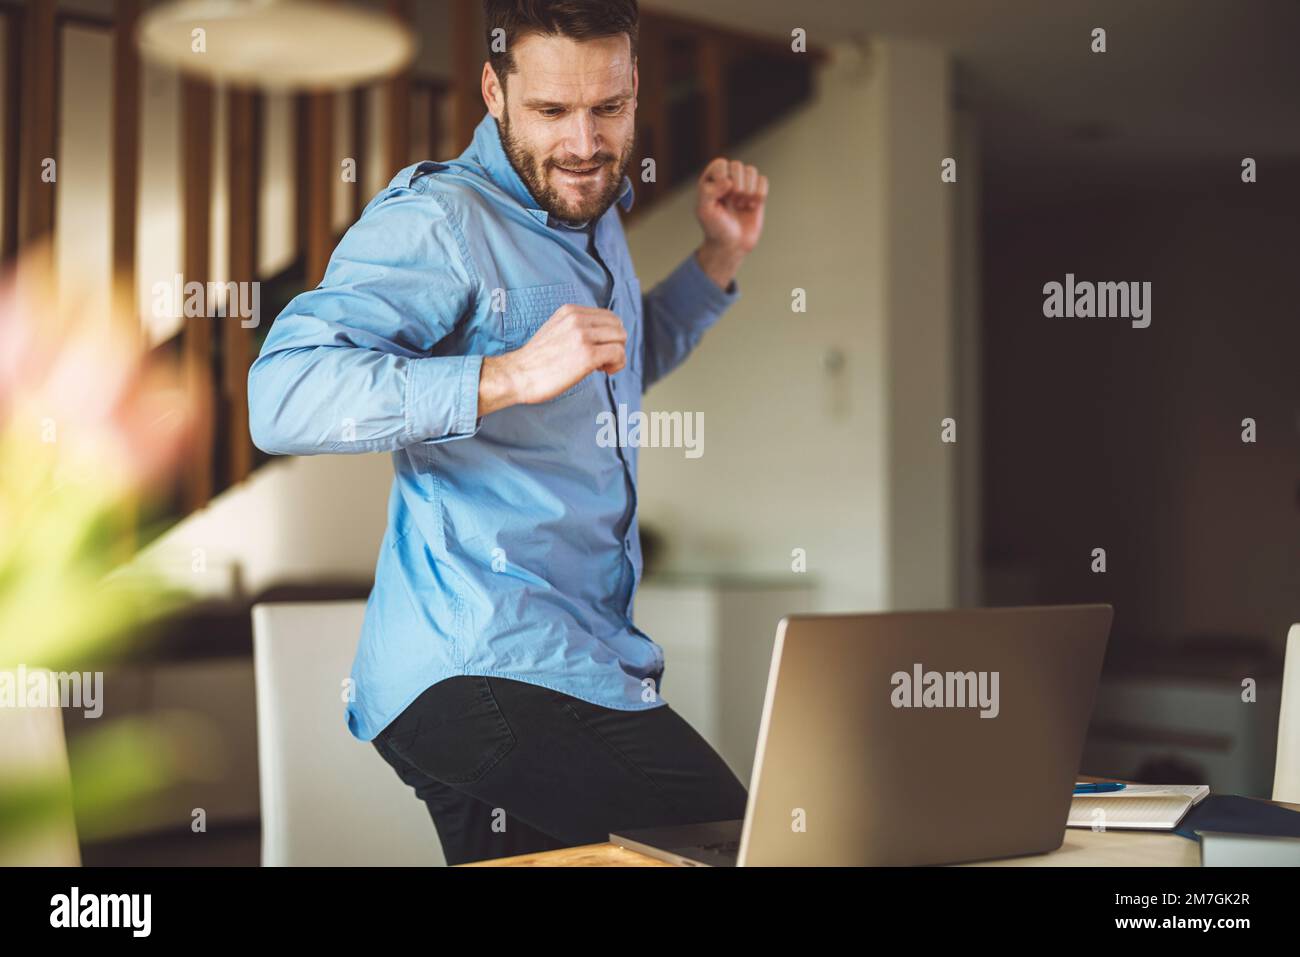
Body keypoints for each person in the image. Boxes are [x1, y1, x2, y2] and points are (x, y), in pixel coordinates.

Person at [247, 0, 768, 865]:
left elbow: (614, 369)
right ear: (495, 90)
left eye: (607, 109)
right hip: (477, 664)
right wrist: (511, 374)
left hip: (570, 653)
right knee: (733, 844)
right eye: (552, 111)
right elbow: (282, 394)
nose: (583, 143)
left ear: (636, 88)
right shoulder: (442, 221)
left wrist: (717, 261)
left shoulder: (590, 214)